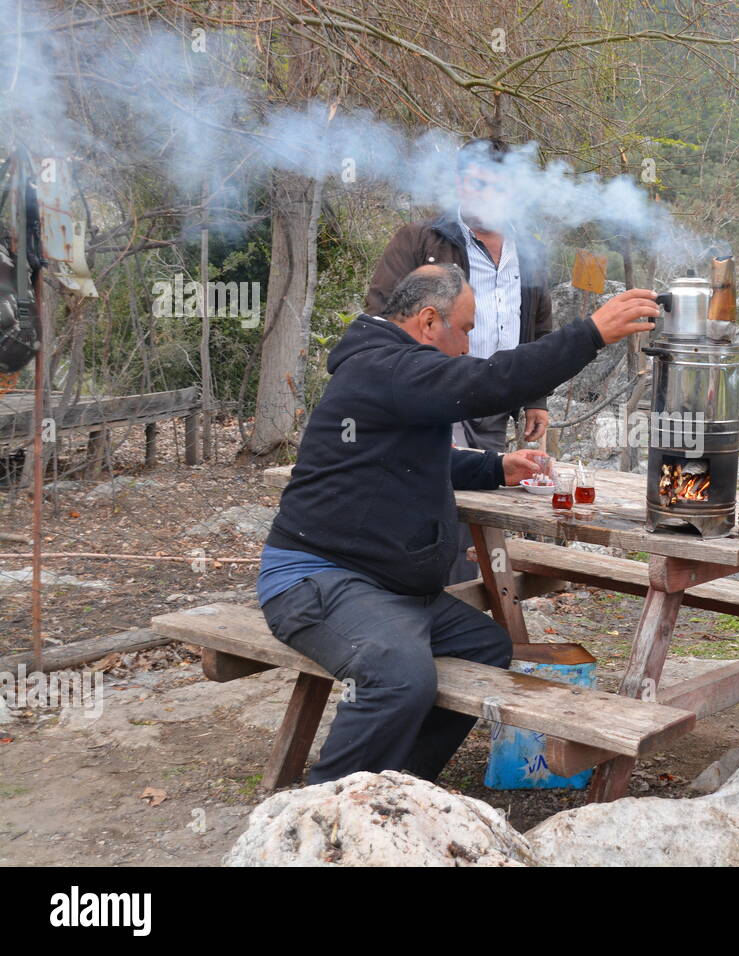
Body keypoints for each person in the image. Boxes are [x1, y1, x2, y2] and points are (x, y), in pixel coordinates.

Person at [259, 263, 659, 785]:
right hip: (318, 579)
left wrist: (495, 467)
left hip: (383, 584)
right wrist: (589, 333)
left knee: (486, 647)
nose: (469, 344)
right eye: (466, 329)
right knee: (396, 676)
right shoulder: (386, 368)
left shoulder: (389, 371)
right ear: (429, 321)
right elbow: (489, 382)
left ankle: (405, 784)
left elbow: (405, 456)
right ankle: (324, 805)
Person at [365, 138, 551, 584]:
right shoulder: (419, 241)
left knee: (481, 504)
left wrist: (535, 397)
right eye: (467, 181)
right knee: (435, 497)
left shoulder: (530, 250)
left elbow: (538, 329)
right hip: (434, 392)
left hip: (494, 398)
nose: (474, 191)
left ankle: (469, 602)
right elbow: (380, 316)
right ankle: (429, 596)